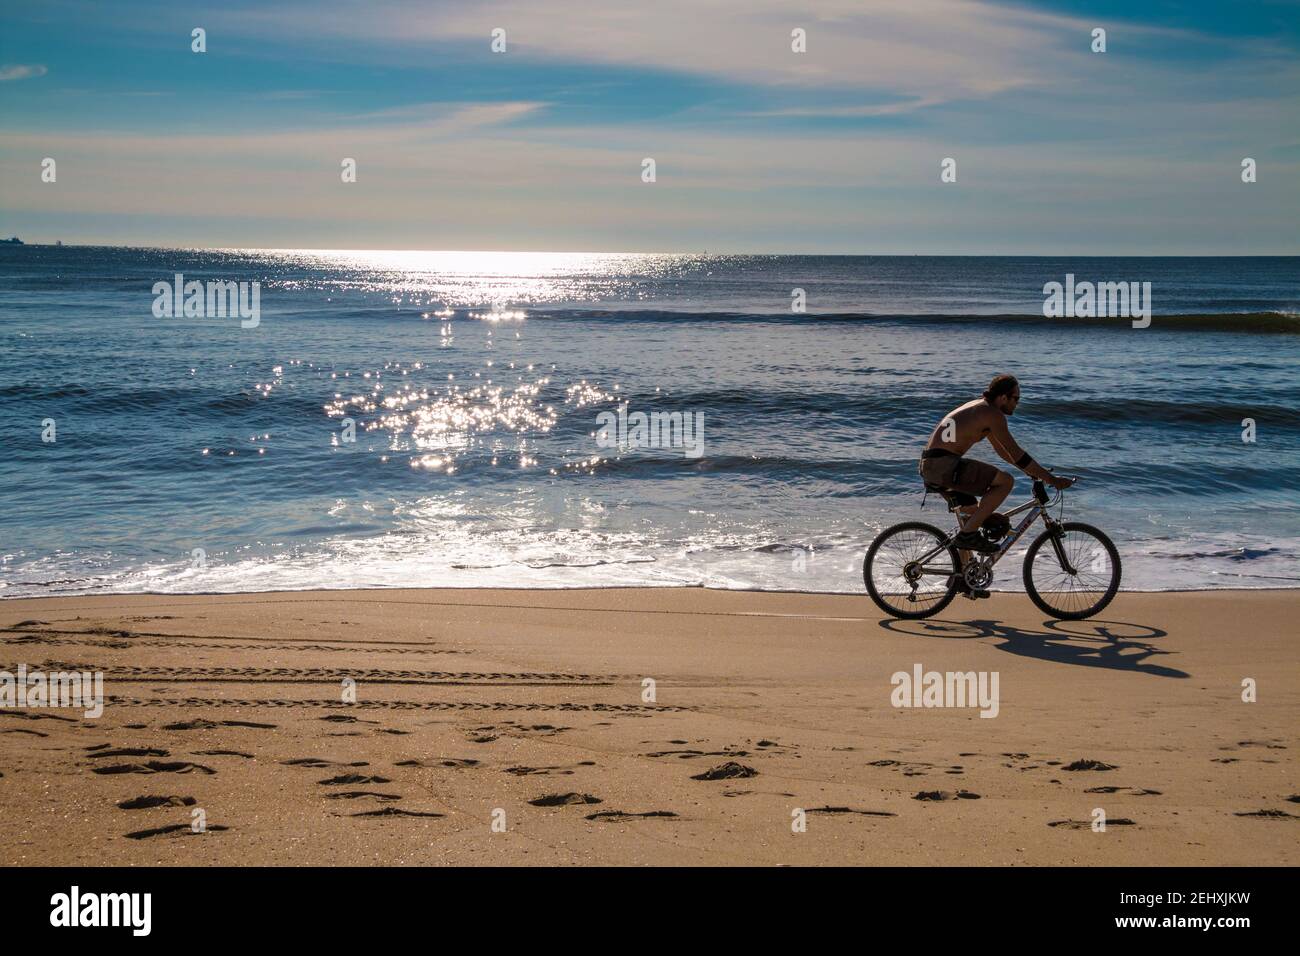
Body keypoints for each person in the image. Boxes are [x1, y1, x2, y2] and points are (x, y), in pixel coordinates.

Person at [919, 374, 1072, 555]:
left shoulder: (981, 408)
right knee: (1006, 481)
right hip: (943, 465)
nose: (1017, 403)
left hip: (932, 465)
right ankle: (967, 535)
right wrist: (1051, 479)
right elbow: (1015, 452)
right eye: (1015, 398)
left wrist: (1030, 472)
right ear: (1003, 397)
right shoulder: (993, 414)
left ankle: (961, 580)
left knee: (972, 517)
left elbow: (1003, 452)